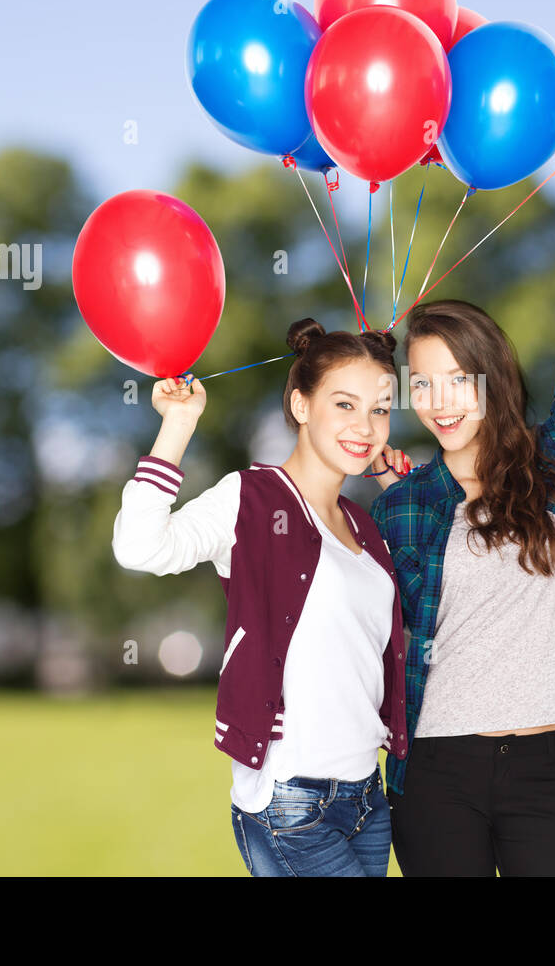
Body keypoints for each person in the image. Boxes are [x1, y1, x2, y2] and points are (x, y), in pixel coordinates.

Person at [367, 114, 555, 876]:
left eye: (458, 379)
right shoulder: (405, 506)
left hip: (550, 765)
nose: (440, 401)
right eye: (422, 384)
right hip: (438, 769)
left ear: (493, 378)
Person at [112, 318, 409, 876]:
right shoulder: (249, 497)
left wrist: (404, 495)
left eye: (379, 408)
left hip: (368, 797)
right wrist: (178, 425)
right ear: (300, 406)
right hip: (291, 800)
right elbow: (139, 547)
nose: (366, 426)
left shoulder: (366, 526)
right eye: (344, 404)